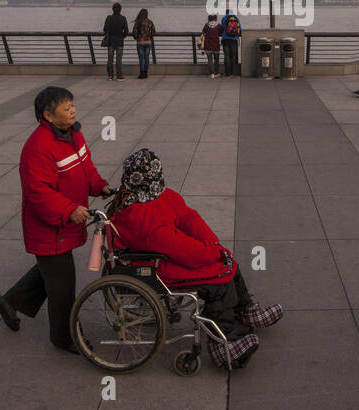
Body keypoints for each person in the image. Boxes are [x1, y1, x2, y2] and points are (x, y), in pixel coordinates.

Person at [107, 149, 283, 367]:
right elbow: (181, 249)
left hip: (162, 256)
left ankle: (244, 309)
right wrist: (210, 252)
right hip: (155, 265)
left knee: (226, 262)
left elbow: (186, 216)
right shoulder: (144, 220)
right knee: (219, 277)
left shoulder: (151, 199)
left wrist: (211, 242)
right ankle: (225, 341)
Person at [0, 86, 115, 352]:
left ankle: (10, 302)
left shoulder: (74, 135)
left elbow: (86, 168)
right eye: (65, 107)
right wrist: (69, 209)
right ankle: (64, 337)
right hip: (49, 227)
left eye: (72, 104)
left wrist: (100, 186)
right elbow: (39, 193)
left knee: (50, 271)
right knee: (62, 285)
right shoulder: (38, 147)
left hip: (64, 225)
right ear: (48, 116)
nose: (72, 110)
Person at [102, 2, 129, 81]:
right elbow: (126, 31)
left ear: (112, 9)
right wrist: (122, 36)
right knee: (119, 59)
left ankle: (110, 75)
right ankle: (119, 76)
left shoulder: (109, 18)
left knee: (110, 59)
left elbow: (105, 29)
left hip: (110, 41)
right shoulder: (123, 18)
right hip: (119, 41)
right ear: (120, 10)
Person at [132, 8, 156, 80]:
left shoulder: (138, 22)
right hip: (148, 42)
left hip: (140, 42)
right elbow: (153, 32)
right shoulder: (150, 22)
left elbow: (134, 32)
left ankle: (141, 73)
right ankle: (146, 73)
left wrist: (137, 38)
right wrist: (149, 36)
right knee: (147, 58)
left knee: (141, 58)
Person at [221, 5, 242, 78]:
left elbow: (223, 27)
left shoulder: (224, 18)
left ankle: (227, 73)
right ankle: (232, 72)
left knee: (226, 56)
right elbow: (240, 29)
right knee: (232, 56)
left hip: (225, 39)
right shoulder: (236, 18)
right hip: (234, 39)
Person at [201, 13, 223, 79]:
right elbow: (221, 31)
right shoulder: (218, 25)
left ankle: (211, 74)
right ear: (215, 18)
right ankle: (216, 73)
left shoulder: (206, 25)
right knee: (216, 60)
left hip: (208, 45)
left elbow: (203, 32)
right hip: (216, 45)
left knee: (210, 60)